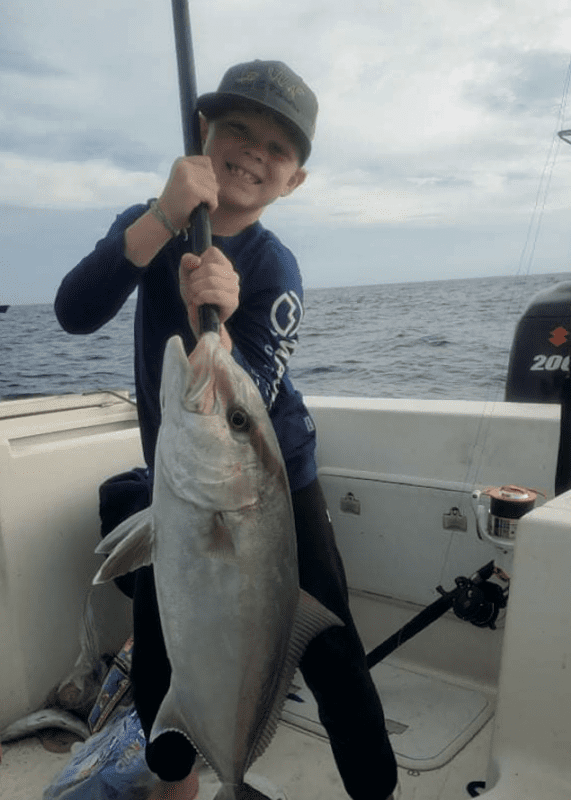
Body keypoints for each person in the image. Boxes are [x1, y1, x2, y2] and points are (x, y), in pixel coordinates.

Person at [55, 60, 398, 800]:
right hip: (180, 482)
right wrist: (157, 220)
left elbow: (247, 401)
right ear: (202, 133)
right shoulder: (148, 221)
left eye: (278, 148)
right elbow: (74, 312)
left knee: (333, 654)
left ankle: (377, 791)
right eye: (238, 128)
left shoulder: (275, 267)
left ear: (295, 180)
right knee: (158, 663)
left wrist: (217, 315)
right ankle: (182, 789)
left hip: (276, 489)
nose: (253, 152)